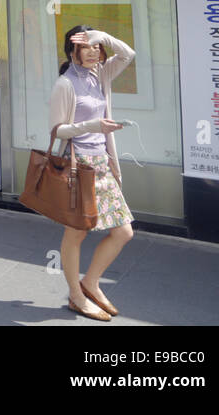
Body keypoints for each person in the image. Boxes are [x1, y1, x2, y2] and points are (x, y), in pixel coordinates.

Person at [49, 25, 136, 322]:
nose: (91, 52)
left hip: (102, 163)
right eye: (84, 46)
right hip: (79, 164)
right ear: (71, 51)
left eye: (95, 47)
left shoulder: (101, 73)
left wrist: (103, 36)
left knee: (123, 231)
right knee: (77, 231)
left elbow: (128, 54)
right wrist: (92, 126)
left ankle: (91, 282)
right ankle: (76, 294)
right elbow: (58, 130)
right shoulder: (65, 84)